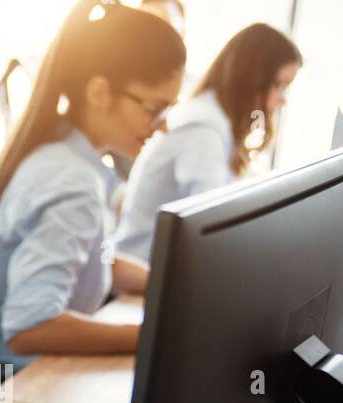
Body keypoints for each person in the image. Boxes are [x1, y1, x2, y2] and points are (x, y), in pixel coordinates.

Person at [0, 0, 185, 368]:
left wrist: (175, 285)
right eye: (154, 108)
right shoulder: (71, 182)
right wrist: (155, 337)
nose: (164, 126)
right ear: (98, 93)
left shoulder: (62, 150)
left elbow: (96, 259)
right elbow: (31, 327)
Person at [114, 23, 302, 262]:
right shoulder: (203, 129)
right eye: (279, 86)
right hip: (141, 276)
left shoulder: (218, 122)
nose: (282, 100)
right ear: (252, 78)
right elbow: (216, 224)